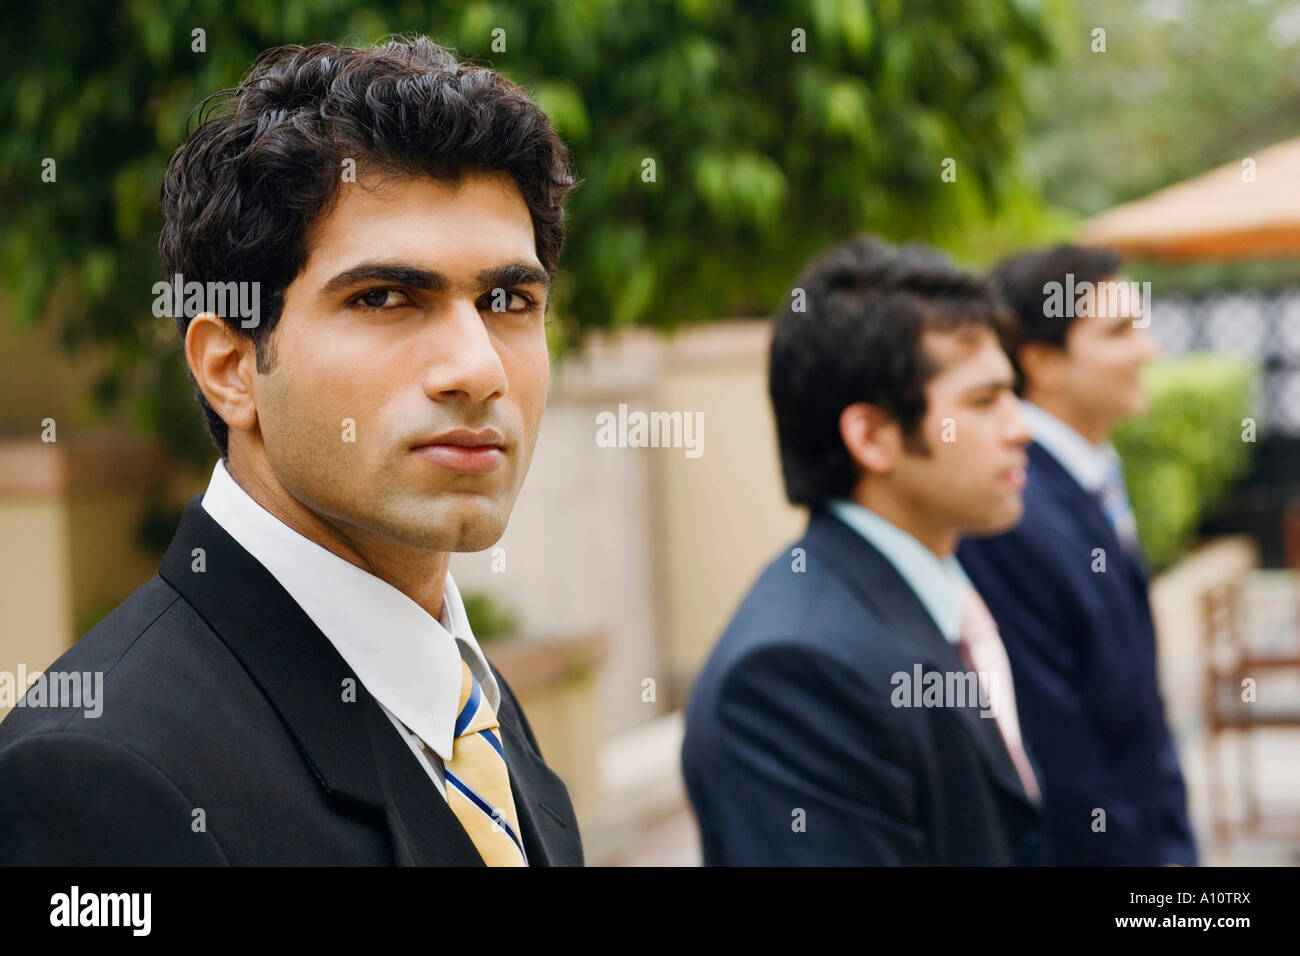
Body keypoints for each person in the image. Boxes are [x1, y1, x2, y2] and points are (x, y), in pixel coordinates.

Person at [0, 37, 583, 866]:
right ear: (231, 369)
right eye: (385, 297)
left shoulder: (470, 705)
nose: (478, 368)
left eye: (509, 299)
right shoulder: (97, 779)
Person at [682, 235, 1045, 864]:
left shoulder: (940, 596)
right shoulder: (793, 675)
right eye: (984, 402)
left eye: (1013, 394)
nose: (1021, 427)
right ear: (873, 436)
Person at [957, 244, 1196, 866]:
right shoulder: (1013, 510)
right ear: (1042, 362)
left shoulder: (1088, 477)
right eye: (1118, 331)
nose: (1148, 350)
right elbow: (1060, 756)